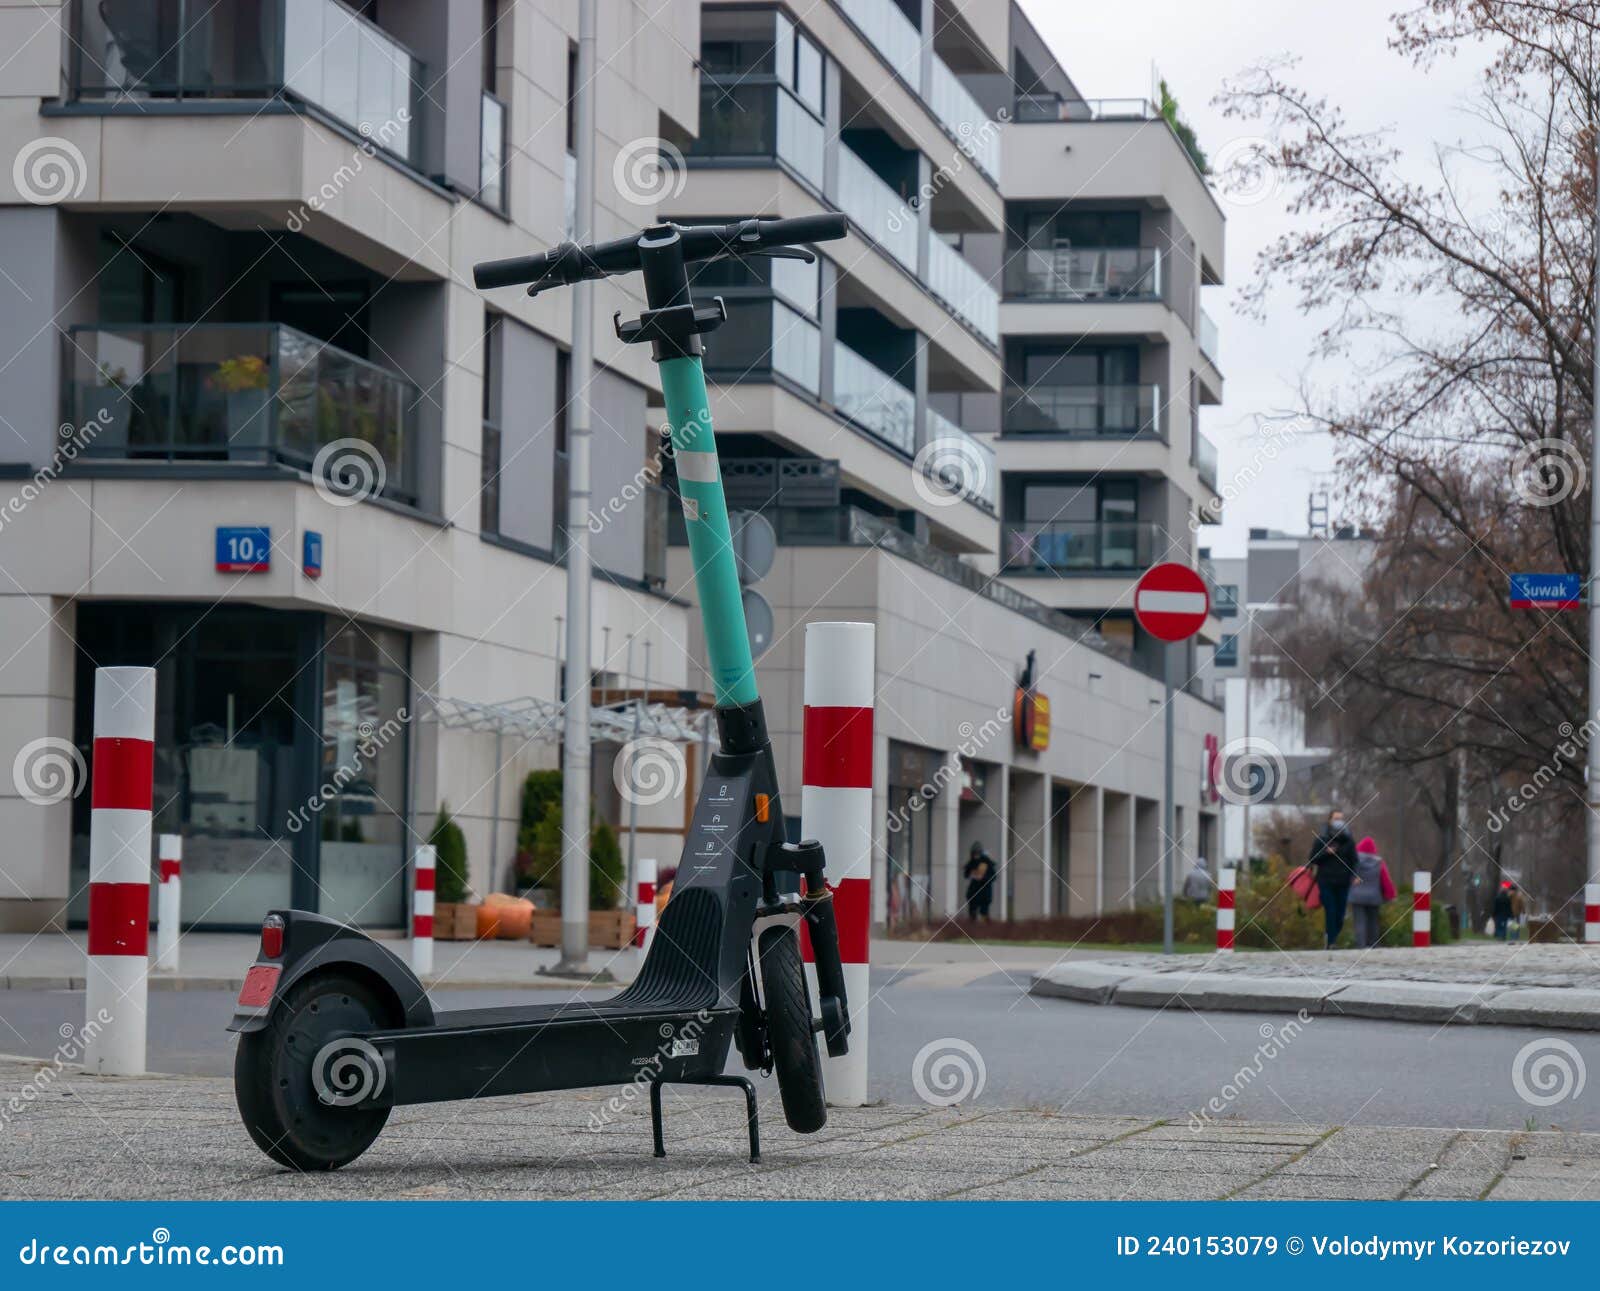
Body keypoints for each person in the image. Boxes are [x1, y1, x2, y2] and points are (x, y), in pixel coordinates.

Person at [1307, 808, 1359, 947]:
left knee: (1340, 915)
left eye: (1341, 819)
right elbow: (1312, 859)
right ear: (1329, 821)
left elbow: (1354, 860)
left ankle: (1330, 935)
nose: (1339, 822)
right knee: (1330, 910)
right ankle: (1331, 942)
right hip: (1326, 881)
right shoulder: (1321, 839)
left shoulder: (1348, 840)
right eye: (1336, 819)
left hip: (1343, 881)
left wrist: (1355, 874)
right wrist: (1326, 853)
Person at [1347, 836, 1390, 949]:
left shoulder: (1353, 861)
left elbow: (1347, 875)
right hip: (1373, 896)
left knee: (1359, 921)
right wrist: (1390, 894)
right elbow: (1385, 880)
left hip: (1357, 896)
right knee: (1373, 921)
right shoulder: (1379, 863)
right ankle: (1373, 943)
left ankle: (1360, 944)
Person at [963, 841, 997, 920]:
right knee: (972, 913)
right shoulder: (971, 862)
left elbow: (993, 877)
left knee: (984, 914)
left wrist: (983, 878)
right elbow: (966, 874)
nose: (975, 856)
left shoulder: (987, 862)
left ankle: (984, 925)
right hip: (974, 893)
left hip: (984, 892)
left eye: (977, 853)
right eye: (974, 853)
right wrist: (970, 872)